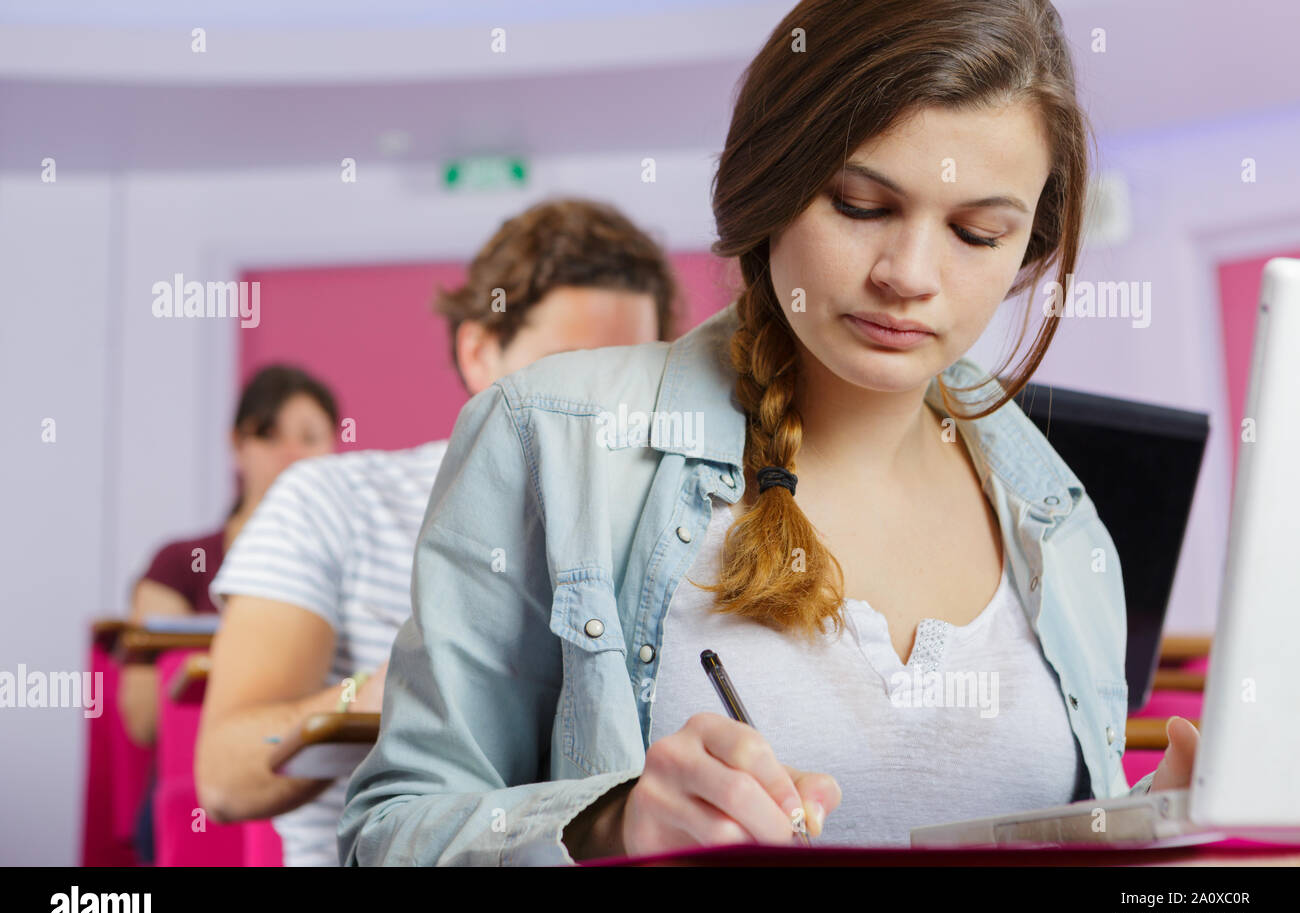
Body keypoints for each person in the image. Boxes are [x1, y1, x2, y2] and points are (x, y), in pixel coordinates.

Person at [338, 0, 1201, 867]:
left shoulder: (1058, 512)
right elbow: (386, 833)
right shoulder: (553, 438)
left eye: (979, 233)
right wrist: (609, 825)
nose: (909, 276)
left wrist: (1152, 838)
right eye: (861, 206)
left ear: (1028, 248)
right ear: (770, 185)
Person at [195, 198, 680, 866]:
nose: (601, 416)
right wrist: (384, 693)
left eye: (631, 379)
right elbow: (224, 777)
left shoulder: (672, 533)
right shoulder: (334, 500)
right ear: (479, 351)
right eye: (568, 371)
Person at [119, 364, 339, 863]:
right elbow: (143, 719)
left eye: (309, 436)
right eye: (267, 435)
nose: (290, 454)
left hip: (316, 792)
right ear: (236, 445)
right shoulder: (177, 563)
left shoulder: (355, 570)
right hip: (198, 791)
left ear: (335, 447)